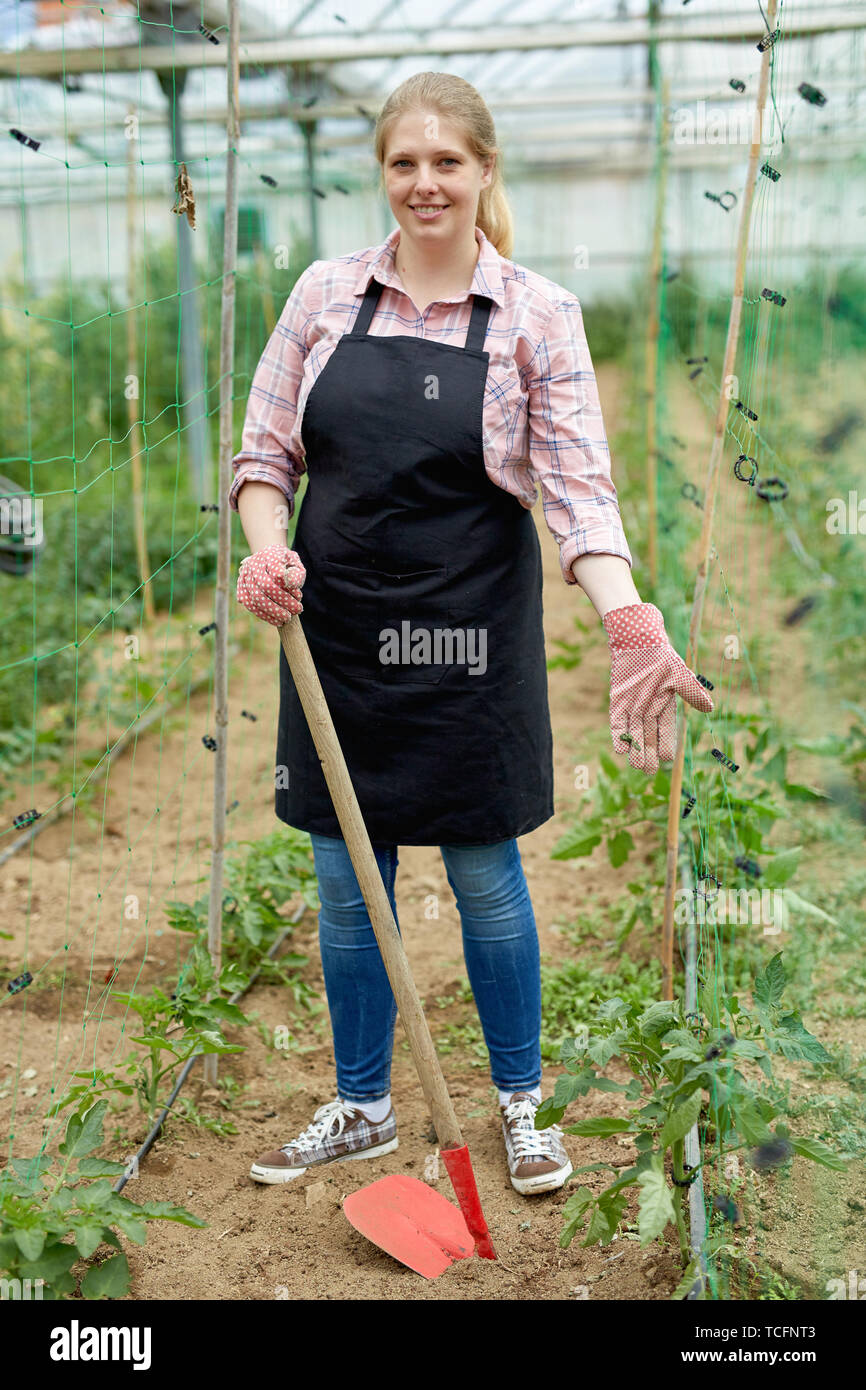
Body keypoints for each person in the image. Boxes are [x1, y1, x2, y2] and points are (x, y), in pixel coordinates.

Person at [230, 72, 713, 1197]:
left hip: (466, 641)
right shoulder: (323, 295)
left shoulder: (537, 314)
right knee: (349, 878)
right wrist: (265, 546)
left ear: (484, 171)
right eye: (405, 162)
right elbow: (264, 461)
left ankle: (521, 1102)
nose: (425, 182)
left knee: (484, 872)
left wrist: (628, 619)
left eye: (447, 162)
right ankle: (360, 1105)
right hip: (335, 631)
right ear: (383, 174)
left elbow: (579, 496)